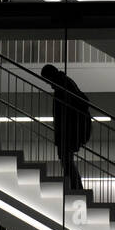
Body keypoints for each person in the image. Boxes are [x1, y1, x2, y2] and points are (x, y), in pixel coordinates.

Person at [40, 64, 91, 194]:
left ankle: (76, 188)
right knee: (67, 160)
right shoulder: (64, 84)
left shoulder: (63, 86)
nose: (48, 83)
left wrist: (62, 130)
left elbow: (68, 111)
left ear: (50, 76)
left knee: (66, 160)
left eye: (46, 80)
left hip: (69, 131)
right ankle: (75, 187)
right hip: (70, 131)